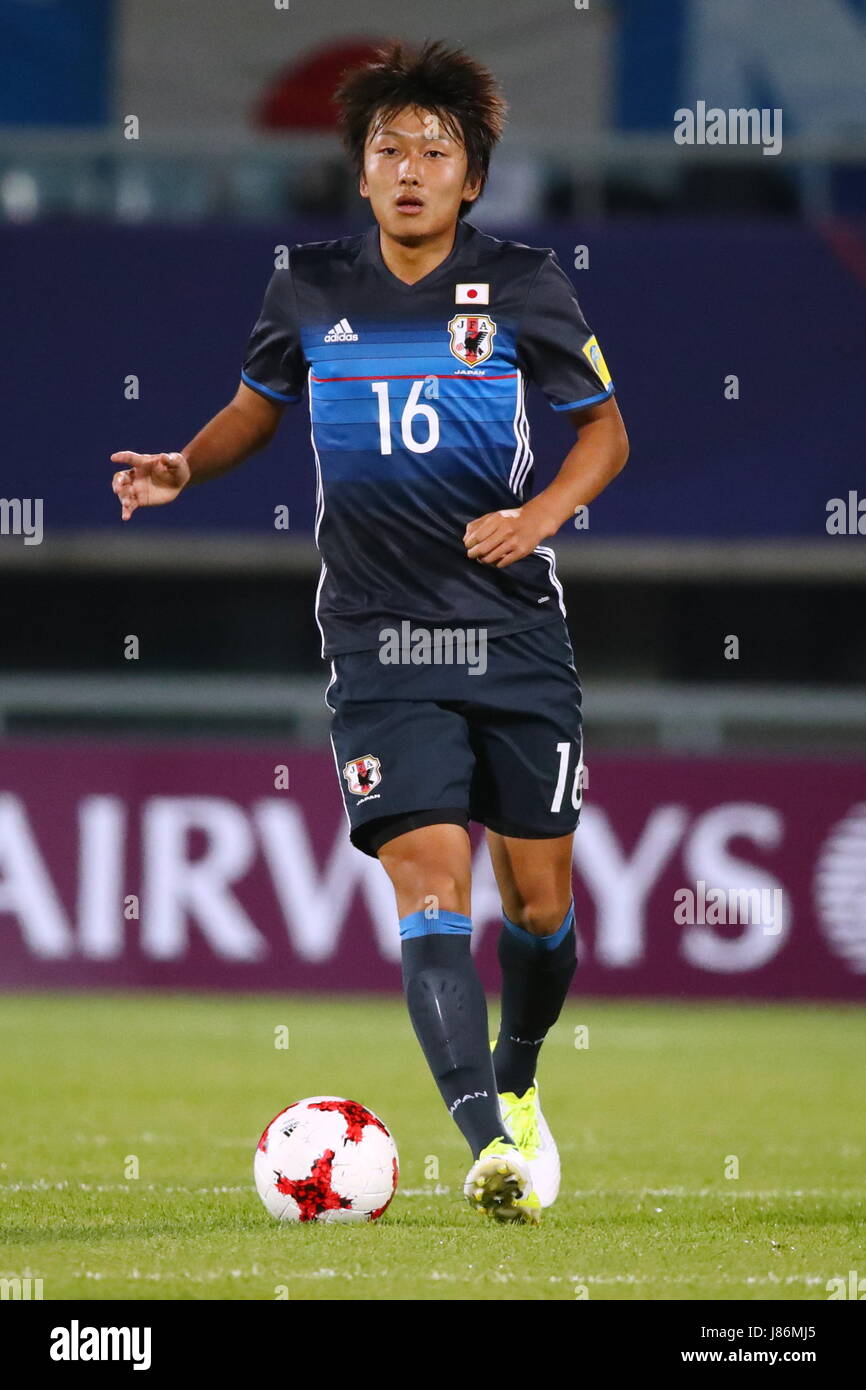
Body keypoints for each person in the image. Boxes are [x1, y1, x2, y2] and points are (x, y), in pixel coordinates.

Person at [111, 38, 629, 1224]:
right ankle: (484, 1140)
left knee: (538, 907)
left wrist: (539, 513)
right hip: (377, 635)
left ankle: (520, 1077)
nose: (407, 169)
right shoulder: (307, 287)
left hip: (512, 631)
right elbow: (256, 407)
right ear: (358, 174)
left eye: (432, 153)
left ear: (471, 181)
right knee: (428, 883)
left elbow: (604, 432)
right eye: (386, 149)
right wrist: (185, 464)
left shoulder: (528, 286)